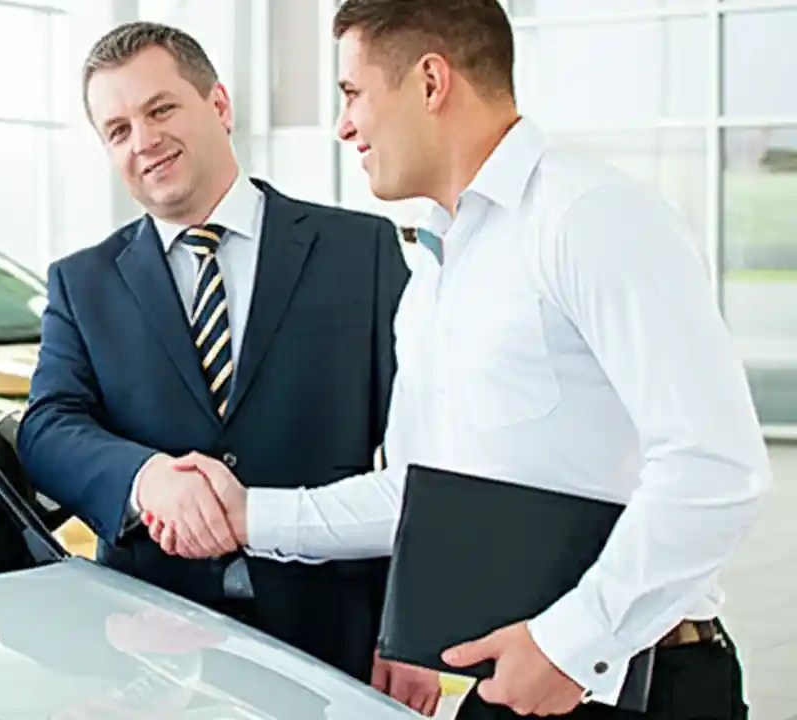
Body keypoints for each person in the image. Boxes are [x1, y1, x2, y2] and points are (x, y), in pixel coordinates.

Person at [153, 1, 772, 718]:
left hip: (636, 684)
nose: (343, 124)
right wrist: (247, 517)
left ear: (430, 81)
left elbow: (716, 467)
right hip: (506, 679)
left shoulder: (591, 216)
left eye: (353, 93)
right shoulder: (440, 268)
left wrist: (570, 644)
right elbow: (417, 496)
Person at [17, 19, 423, 699]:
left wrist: (412, 628)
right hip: (152, 646)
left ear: (220, 105)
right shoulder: (81, 282)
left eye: (160, 108)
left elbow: (423, 456)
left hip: (333, 640)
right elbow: (46, 427)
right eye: (117, 130)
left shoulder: (362, 252)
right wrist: (144, 479)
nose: (144, 141)